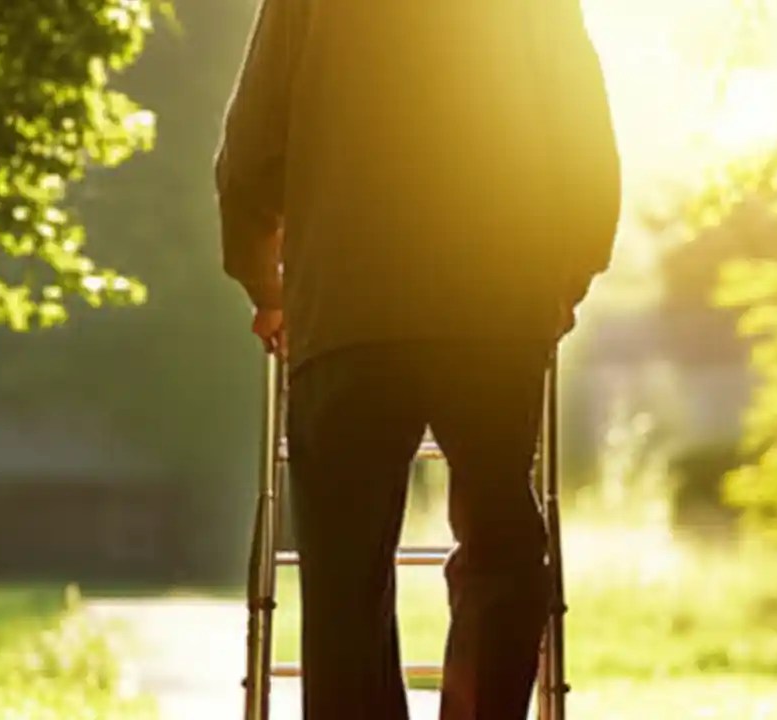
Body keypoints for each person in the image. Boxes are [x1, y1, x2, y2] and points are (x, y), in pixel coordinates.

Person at [215, 1, 620, 717]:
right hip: (494, 306)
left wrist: (266, 281)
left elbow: (250, 148)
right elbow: (584, 134)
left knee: (344, 565)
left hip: (346, 302)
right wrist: (570, 274)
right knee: (500, 533)